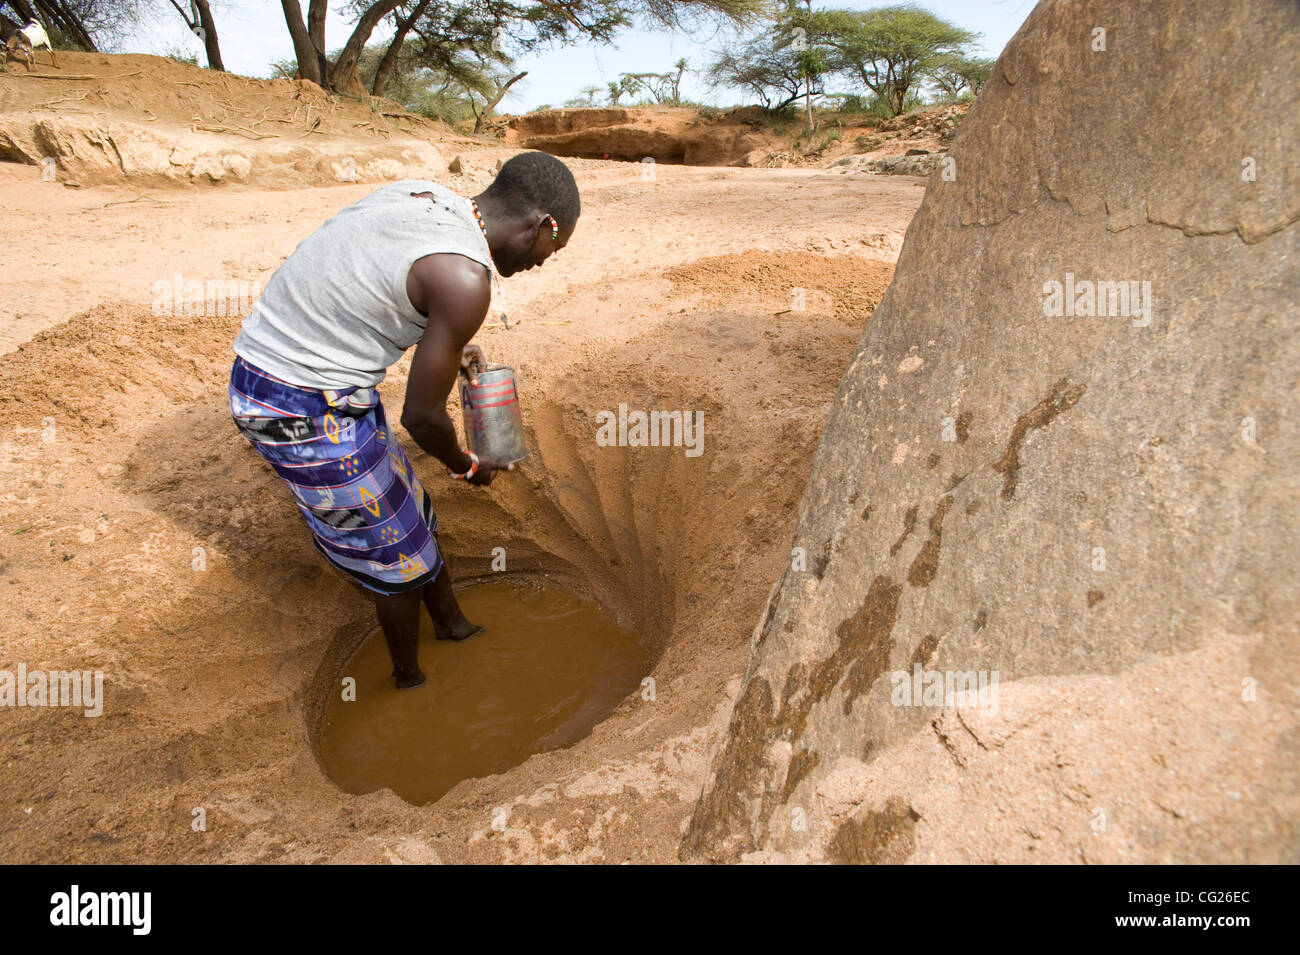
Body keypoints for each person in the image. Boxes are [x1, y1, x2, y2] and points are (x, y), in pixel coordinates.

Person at [227, 151, 579, 688]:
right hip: (293, 402)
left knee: (411, 514)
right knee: (393, 561)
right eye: (554, 249)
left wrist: (447, 341)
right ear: (544, 225)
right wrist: (466, 466)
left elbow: (374, 277)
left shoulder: (425, 195)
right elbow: (420, 416)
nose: (544, 261)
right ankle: (409, 681)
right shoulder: (465, 279)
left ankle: (453, 627)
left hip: (312, 378)